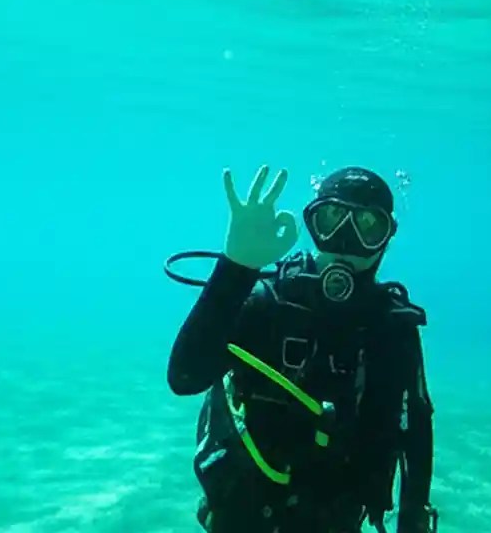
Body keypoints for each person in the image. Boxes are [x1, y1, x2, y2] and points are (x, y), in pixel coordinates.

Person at [167, 164, 438, 533]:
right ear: (312, 226)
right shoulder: (268, 303)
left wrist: (414, 519)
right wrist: (237, 266)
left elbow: (416, 427)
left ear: (386, 238)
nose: (345, 240)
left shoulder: (391, 330)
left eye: (368, 227)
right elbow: (185, 376)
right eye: (331, 219)